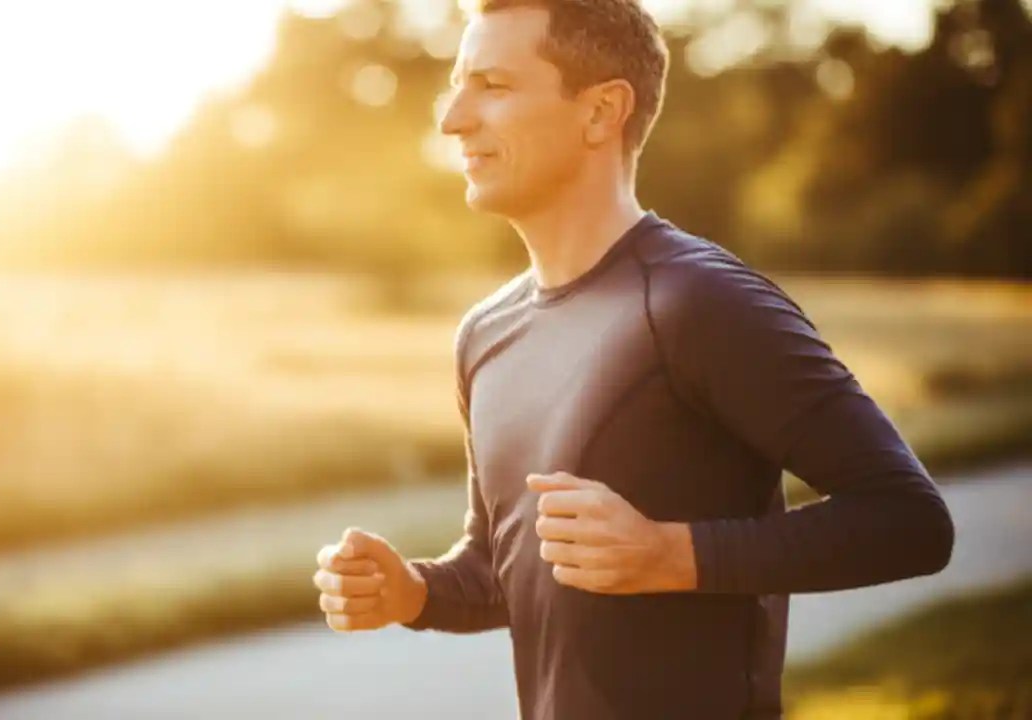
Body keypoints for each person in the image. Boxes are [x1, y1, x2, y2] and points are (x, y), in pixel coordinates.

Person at [311, 1, 955, 717]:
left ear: (600, 112)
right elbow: (506, 567)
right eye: (457, 84)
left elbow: (911, 521)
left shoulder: (699, 302)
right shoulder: (485, 333)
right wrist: (415, 592)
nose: (453, 119)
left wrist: (668, 555)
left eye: (492, 86)